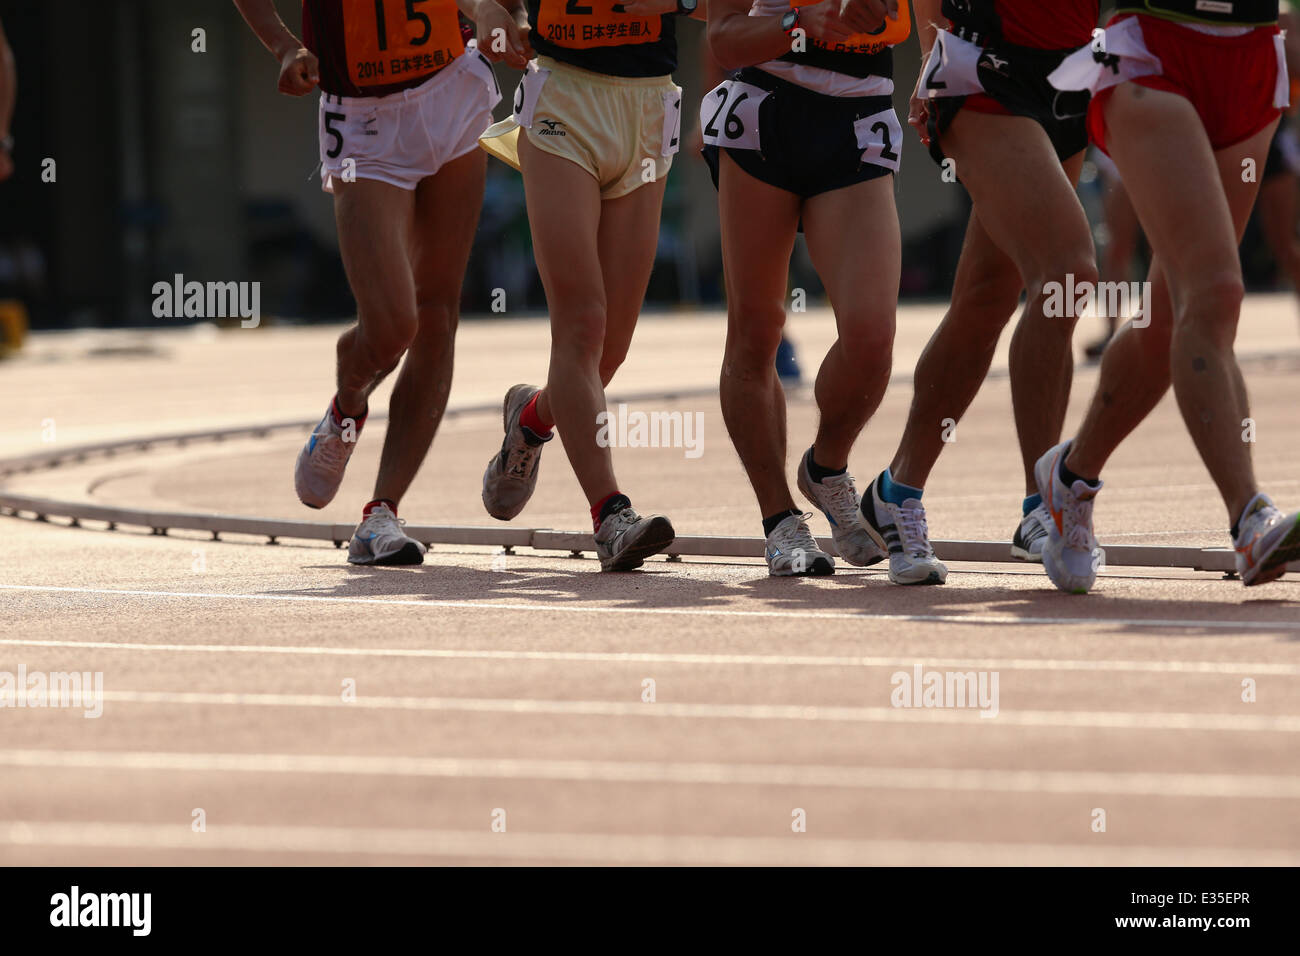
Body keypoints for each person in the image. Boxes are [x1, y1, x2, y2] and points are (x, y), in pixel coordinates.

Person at [233, 0, 525, 565]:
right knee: (393, 327)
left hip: (452, 89)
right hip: (363, 118)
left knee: (439, 312)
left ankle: (381, 514)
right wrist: (285, 45)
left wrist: (511, 13)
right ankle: (347, 405)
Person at [1039, 0, 1300, 591]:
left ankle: (1071, 476)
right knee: (1216, 292)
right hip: (1152, 48)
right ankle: (1249, 520)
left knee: (1167, 323)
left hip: (1253, 54)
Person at [860, 0, 1101, 584]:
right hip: (981, 68)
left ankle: (897, 489)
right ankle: (1043, 504)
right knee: (1067, 274)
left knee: (989, 295)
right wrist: (927, 53)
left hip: (1071, 75)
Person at [478, 0, 705, 571]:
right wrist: (486, 8)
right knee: (581, 325)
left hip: (649, 105)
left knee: (611, 350)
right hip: (563, 99)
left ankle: (530, 420)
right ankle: (610, 515)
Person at [702, 0, 906, 575]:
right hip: (766, 112)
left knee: (872, 336)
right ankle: (779, 520)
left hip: (858, 116)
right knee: (756, 331)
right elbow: (723, 37)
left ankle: (826, 466)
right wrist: (797, 23)